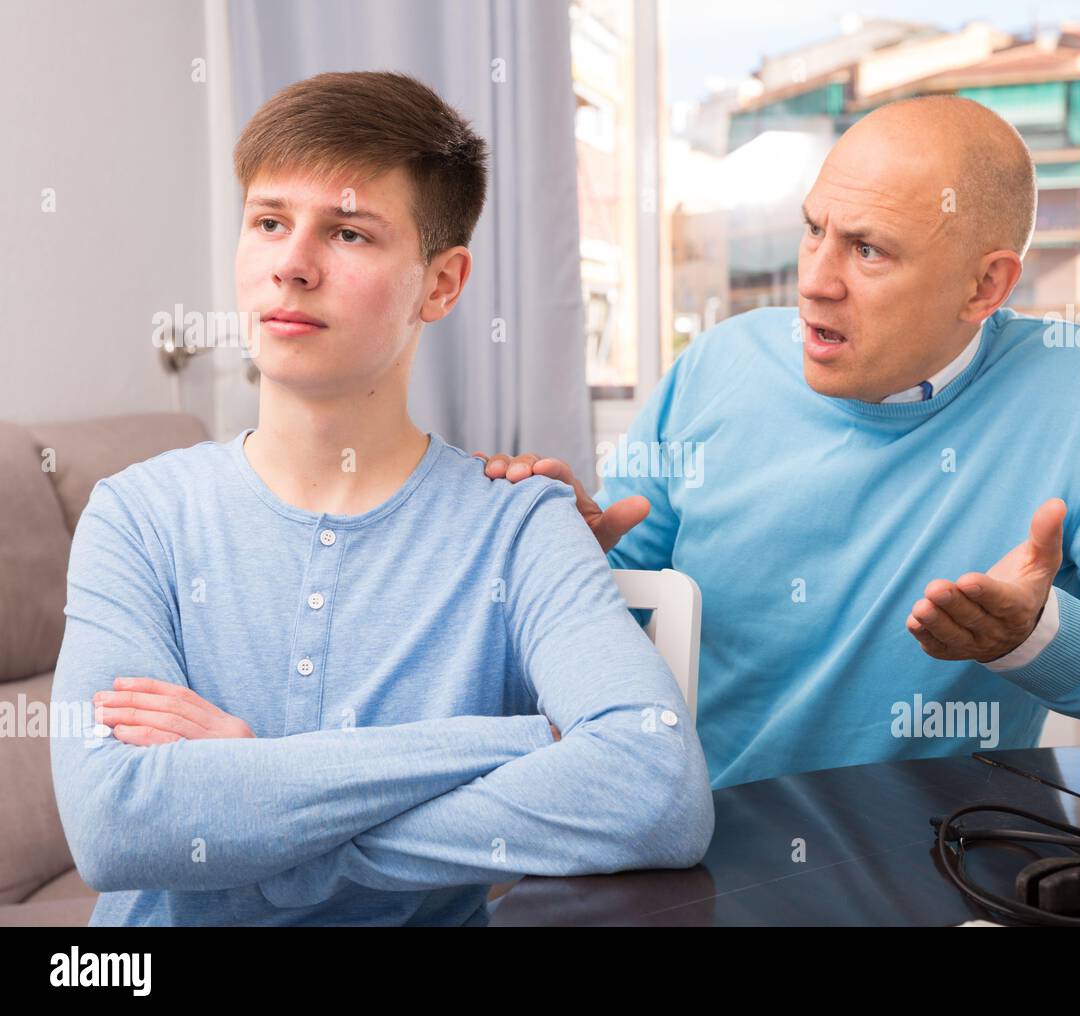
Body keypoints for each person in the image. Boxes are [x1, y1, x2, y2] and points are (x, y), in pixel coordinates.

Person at [479, 95, 1080, 790]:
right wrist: (566, 567)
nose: (814, 281)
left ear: (985, 285)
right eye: (814, 231)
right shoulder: (719, 365)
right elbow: (613, 617)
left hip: (937, 870)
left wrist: (1039, 639)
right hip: (694, 847)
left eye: (867, 250)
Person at [49, 70, 713, 927]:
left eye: (348, 232)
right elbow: (113, 826)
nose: (291, 266)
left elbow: (656, 790)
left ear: (442, 284)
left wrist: (261, 798)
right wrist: (515, 742)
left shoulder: (521, 522)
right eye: (269, 222)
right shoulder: (135, 516)